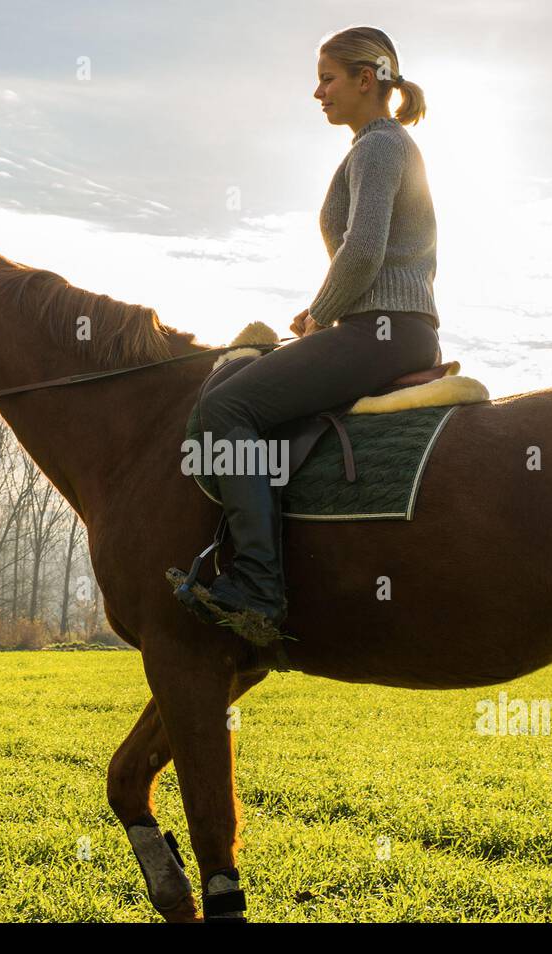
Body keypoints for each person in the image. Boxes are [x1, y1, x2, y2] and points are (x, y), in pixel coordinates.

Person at [176, 25, 442, 643]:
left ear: (365, 80)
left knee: (227, 403)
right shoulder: (377, 146)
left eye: (327, 78)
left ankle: (258, 587)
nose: (317, 92)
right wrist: (325, 312)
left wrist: (322, 311)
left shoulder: (379, 146)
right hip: (385, 326)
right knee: (238, 384)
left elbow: (363, 252)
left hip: (384, 330)